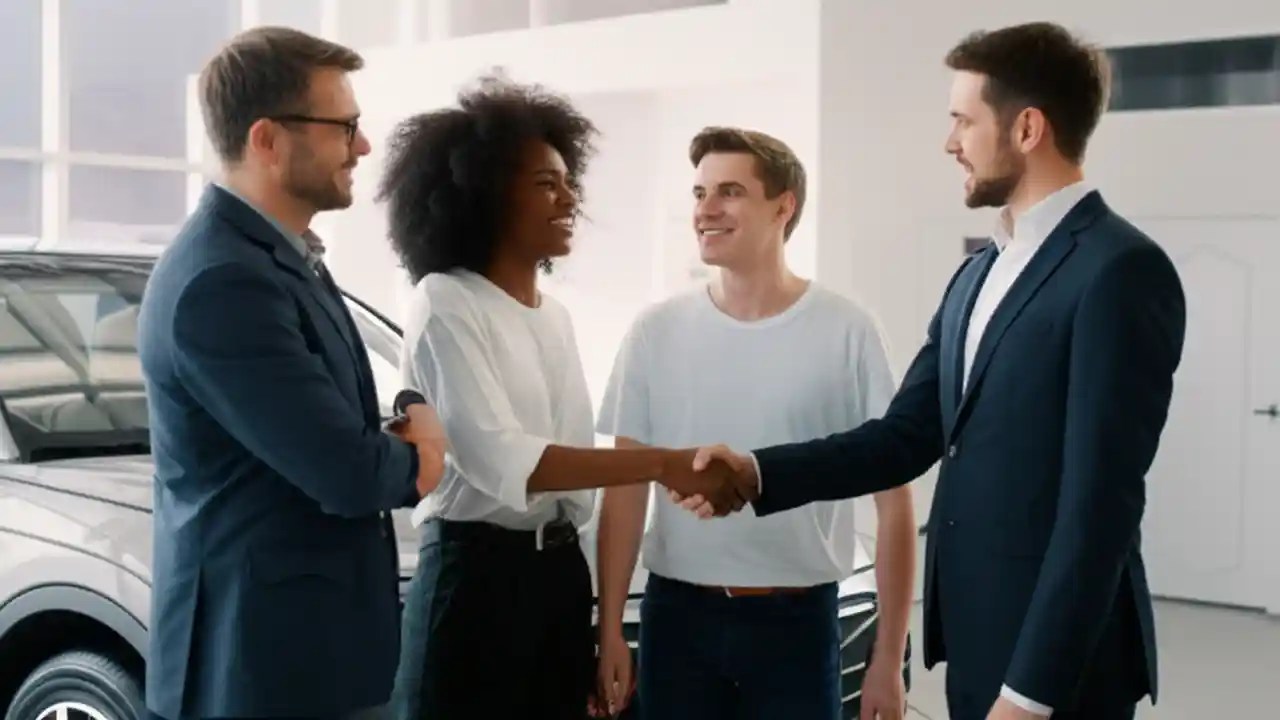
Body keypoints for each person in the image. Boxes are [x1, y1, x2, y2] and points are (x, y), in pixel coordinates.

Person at [683, 22, 1185, 720]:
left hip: (1059, 670)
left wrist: (1030, 695)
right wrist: (757, 471)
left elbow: (1100, 508)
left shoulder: (1120, 270)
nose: (951, 143)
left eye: (963, 120)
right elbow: (904, 437)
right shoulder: (976, 275)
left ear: (1028, 128)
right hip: (980, 641)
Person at [380, 74, 750, 720]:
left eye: (567, 181)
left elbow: (572, 480)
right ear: (486, 196)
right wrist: (663, 462)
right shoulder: (446, 301)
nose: (569, 199)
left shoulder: (555, 318)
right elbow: (507, 462)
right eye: (545, 185)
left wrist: (603, 626)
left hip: (556, 581)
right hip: (475, 582)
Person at [137, 27, 447, 720]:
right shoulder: (222, 281)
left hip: (308, 656)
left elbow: (326, 434)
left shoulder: (280, 256)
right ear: (268, 140)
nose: (362, 147)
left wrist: (384, 441)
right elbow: (350, 473)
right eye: (345, 127)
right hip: (260, 673)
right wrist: (425, 445)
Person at [591, 127, 916, 720]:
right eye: (698, 193)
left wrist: (887, 661)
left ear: (783, 205)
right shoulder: (654, 331)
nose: (706, 210)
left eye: (730, 191)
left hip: (799, 623)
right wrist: (609, 627)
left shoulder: (848, 330)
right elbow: (624, 488)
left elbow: (894, 502)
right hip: (677, 620)